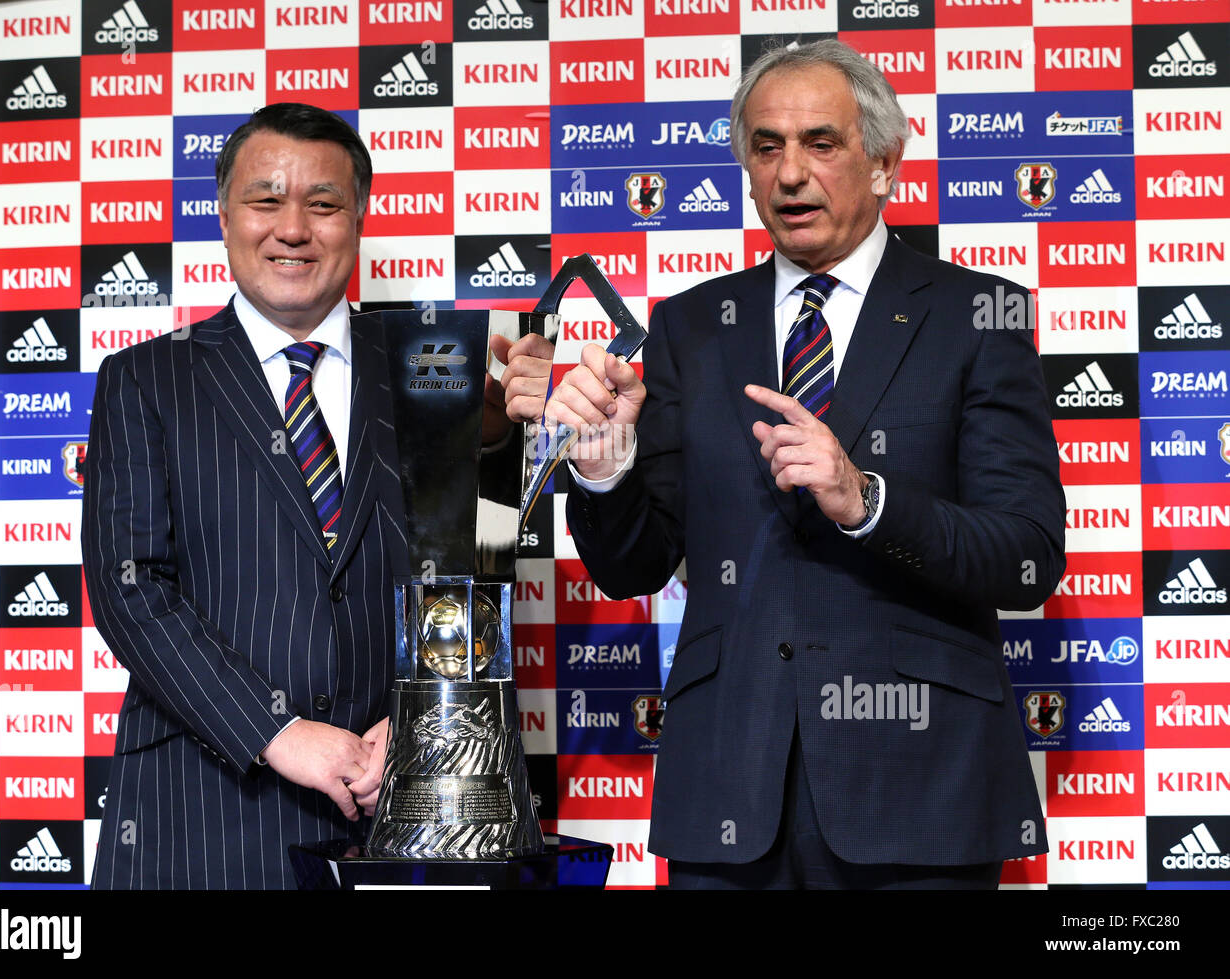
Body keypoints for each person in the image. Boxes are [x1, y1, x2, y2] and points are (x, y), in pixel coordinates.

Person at [535, 41, 1066, 889]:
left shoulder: (978, 315)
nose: (790, 174)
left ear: (884, 161)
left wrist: (867, 501)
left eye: (822, 143)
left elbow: (1027, 554)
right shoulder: (688, 326)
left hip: (922, 790)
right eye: (767, 146)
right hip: (727, 788)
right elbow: (634, 562)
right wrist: (603, 469)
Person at [82, 103, 550, 888]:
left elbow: (477, 573)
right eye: (266, 200)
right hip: (201, 806)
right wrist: (278, 731)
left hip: (404, 798)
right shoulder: (145, 379)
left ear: (358, 220)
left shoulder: (433, 363)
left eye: (324, 204)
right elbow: (131, 591)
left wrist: (419, 720)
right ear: (225, 216)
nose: (293, 228)